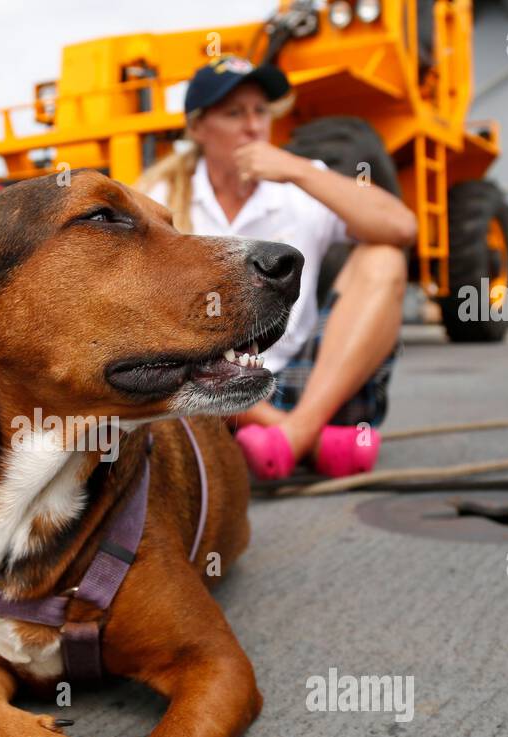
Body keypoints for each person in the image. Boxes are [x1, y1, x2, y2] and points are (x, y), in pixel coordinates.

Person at [138, 55, 417, 479]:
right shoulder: (160, 195)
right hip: (206, 384)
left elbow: (402, 226)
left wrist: (299, 169)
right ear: (197, 128)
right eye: (234, 113)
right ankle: (305, 440)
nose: (253, 126)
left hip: (302, 381)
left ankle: (296, 434)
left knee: (384, 257)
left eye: (260, 111)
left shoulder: (301, 183)